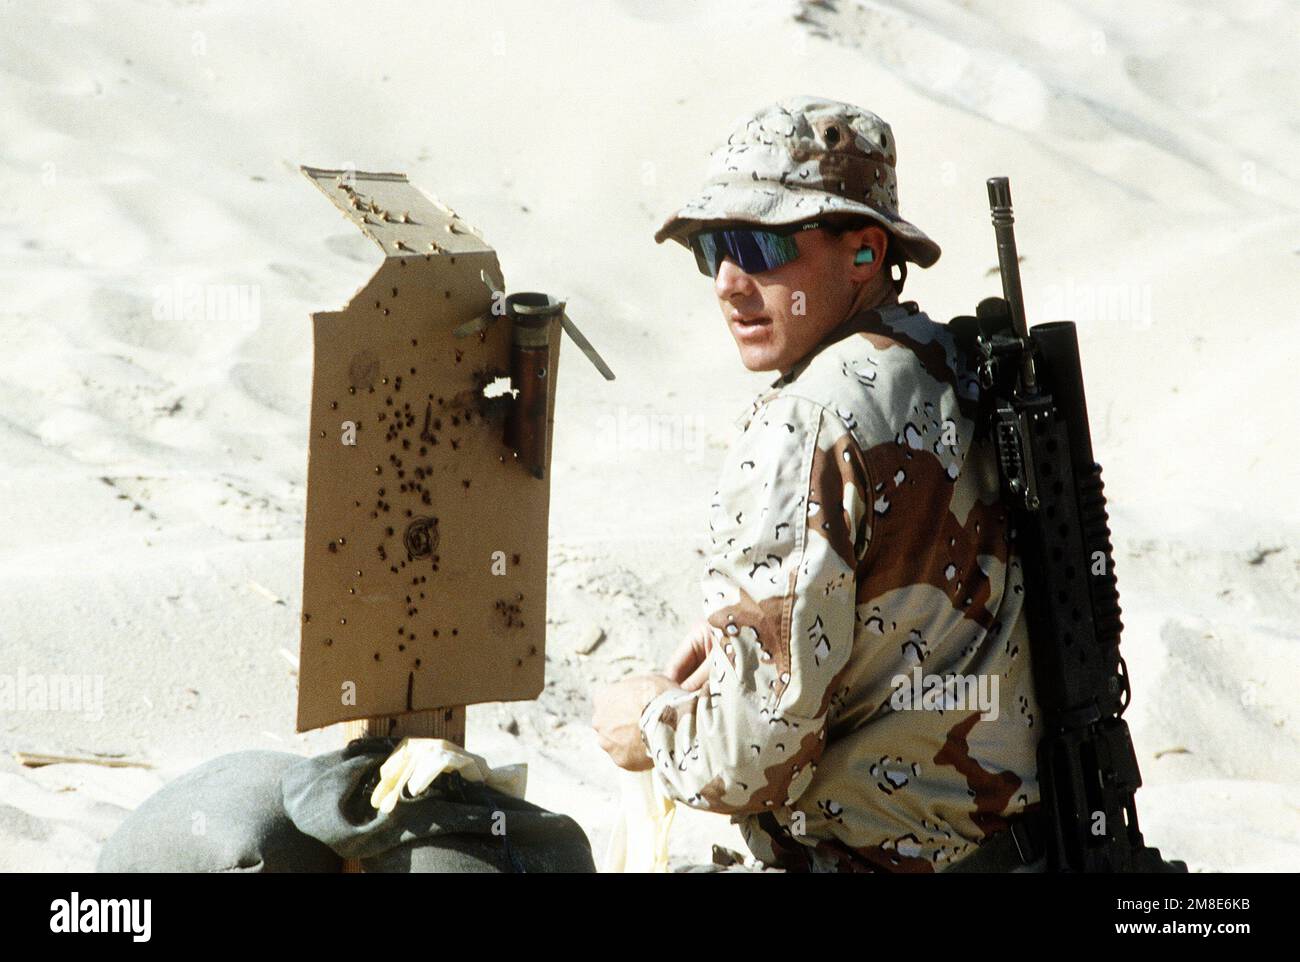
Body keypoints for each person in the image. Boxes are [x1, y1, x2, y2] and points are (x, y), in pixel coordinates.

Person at [592, 95, 1045, 872]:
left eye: (760, 245)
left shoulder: (809, 417)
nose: (729, 284)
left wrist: (648, 722)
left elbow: (749, 757)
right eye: (713, 250)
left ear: (865, 253)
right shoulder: (955, 367)